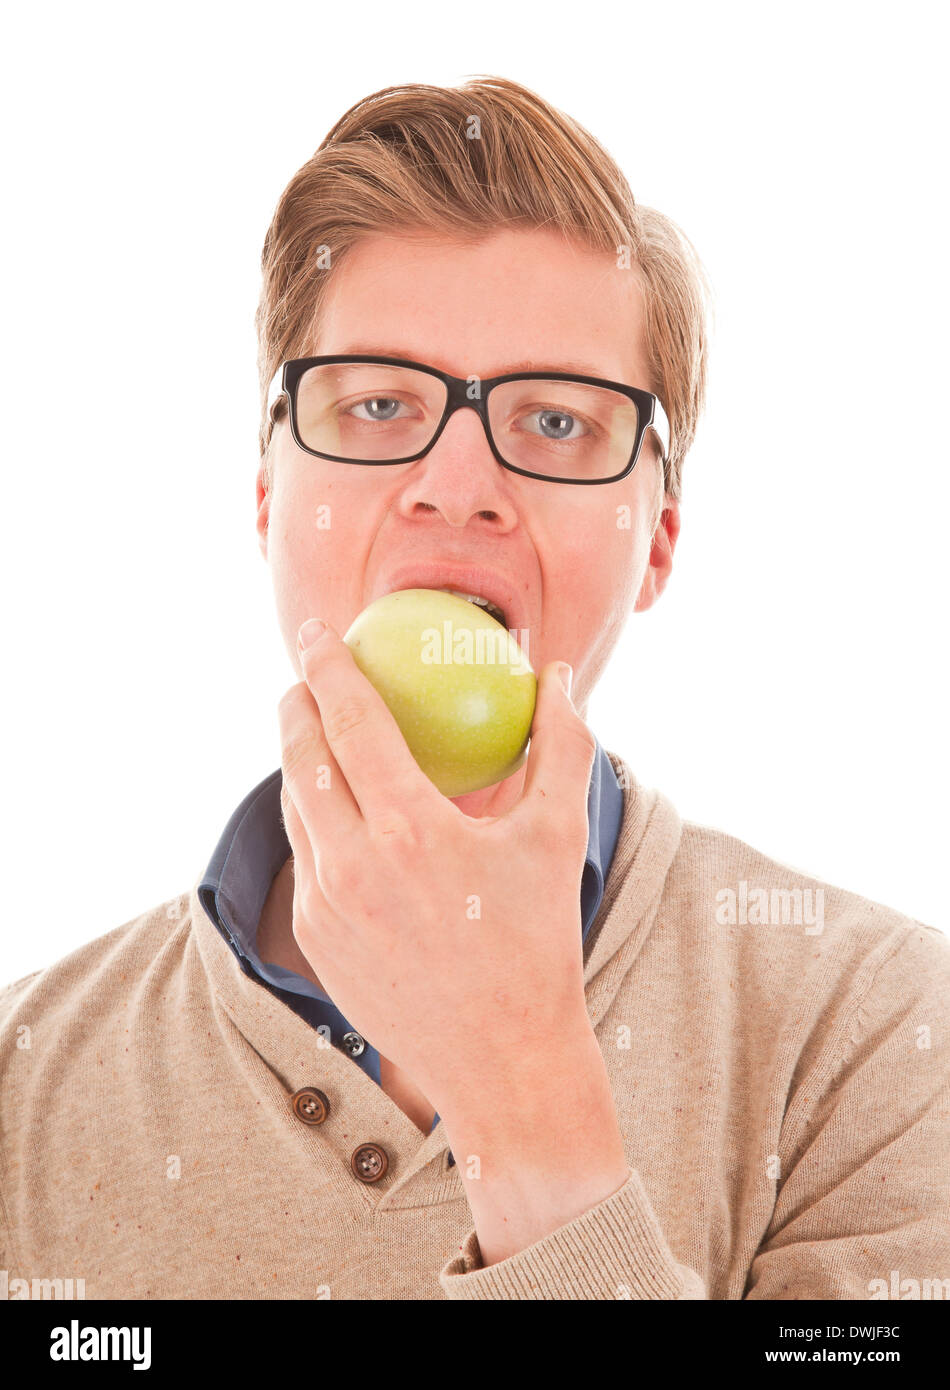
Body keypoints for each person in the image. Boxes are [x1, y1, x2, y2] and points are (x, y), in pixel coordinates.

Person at [1, 75, 947, 1302]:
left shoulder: (879, 1038)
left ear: (656, 538)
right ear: (265, 496)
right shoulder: (23, 1097)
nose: (457, 483)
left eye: (555, 422)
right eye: (378, 402)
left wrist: (521, 1091)